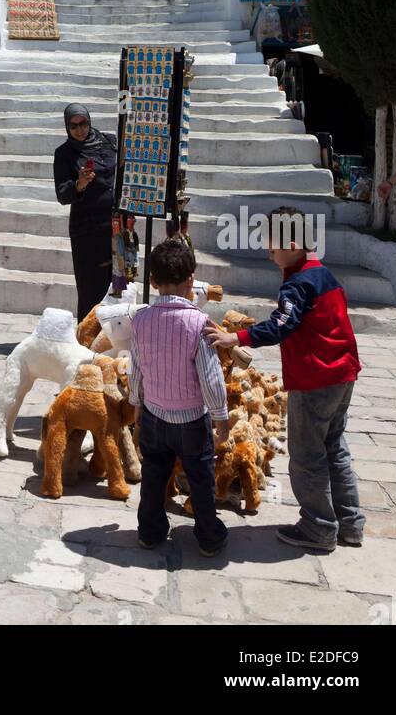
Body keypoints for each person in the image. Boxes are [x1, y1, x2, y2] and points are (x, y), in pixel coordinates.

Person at [205, 205, 363, 552]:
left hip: (315, 379)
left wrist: (237, 338)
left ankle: (319, 528)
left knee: (307, 456)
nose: (268, 251)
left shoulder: (297, 284)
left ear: (292, 243)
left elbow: (281, 324)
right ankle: (350, 524)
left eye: (272, 244)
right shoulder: (323, 274)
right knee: (334, 448)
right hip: (342, 374)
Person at [129, 237, 229, 558]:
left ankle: (149, 530)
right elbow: (211, 377)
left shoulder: (140, 320)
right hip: (191, 421)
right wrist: (221, 417)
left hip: (155, 416)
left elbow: (136, 368)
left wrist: (136, 404)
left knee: (154, 475)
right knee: (200, 478)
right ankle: (208, 536)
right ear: (191, 281)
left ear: (153, 281)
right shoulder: (199, 324)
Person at [53, 104, 116, 320]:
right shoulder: (64, 154)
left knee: (119, 283)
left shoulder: (109, 142)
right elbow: (62, 195)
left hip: (116, 224)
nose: (80, 130)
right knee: (92, 289)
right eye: (74, 126)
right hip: (88, 230)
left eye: (84, 124)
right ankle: (88, 339)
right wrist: (79, 185)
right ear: (67, 127)